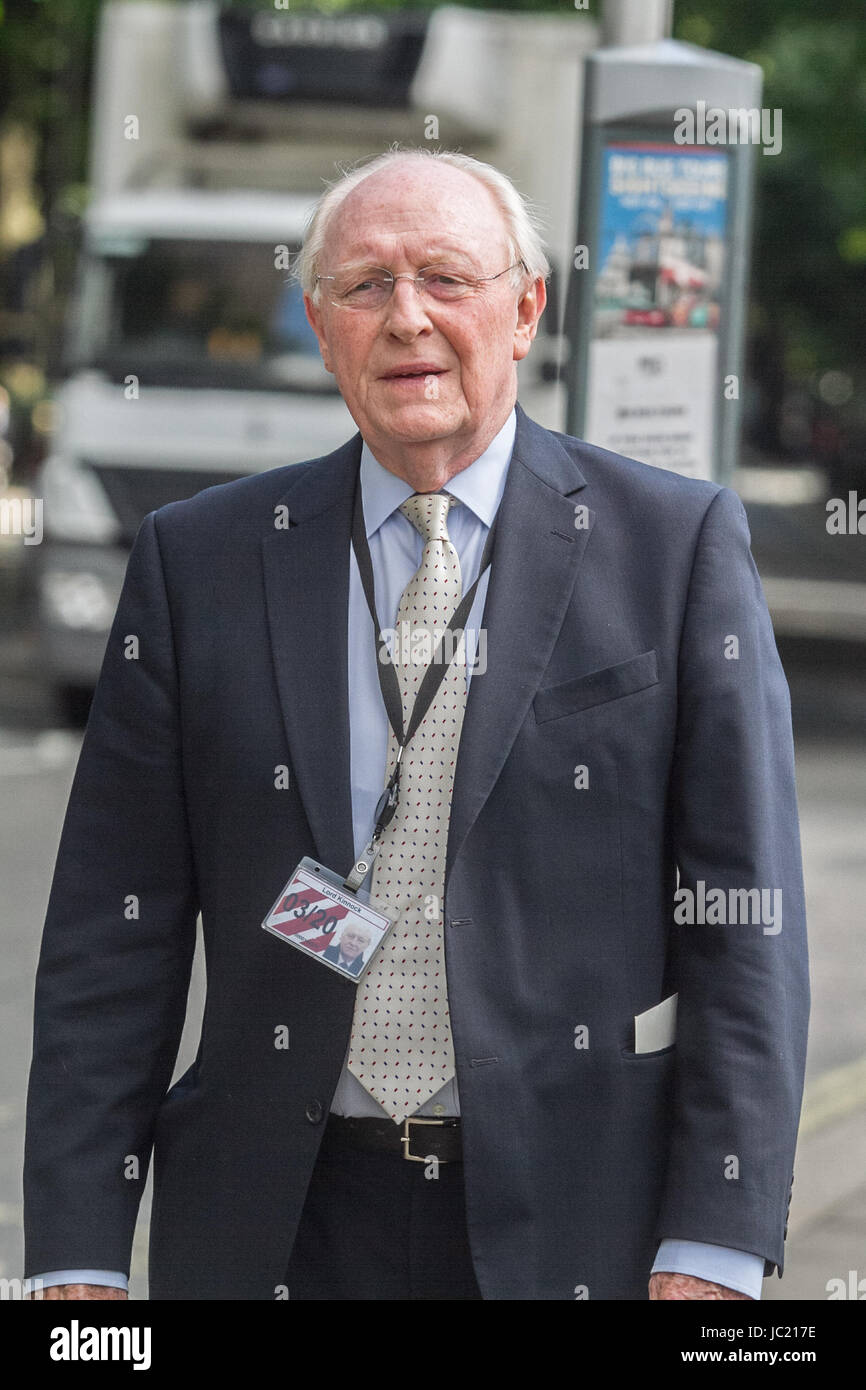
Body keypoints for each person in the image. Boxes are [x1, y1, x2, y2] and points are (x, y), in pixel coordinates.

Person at [24, 148, 809, 1302]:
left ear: (523, 306)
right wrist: (78, 1249)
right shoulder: (198, 559)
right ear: (318, 322)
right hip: (271, 1225)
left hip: (577, 1226)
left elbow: (745, 923)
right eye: (365, 286)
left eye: (445, 277)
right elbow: (111, 927)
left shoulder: (673, 549)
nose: (407, 319)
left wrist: (716, 1242)